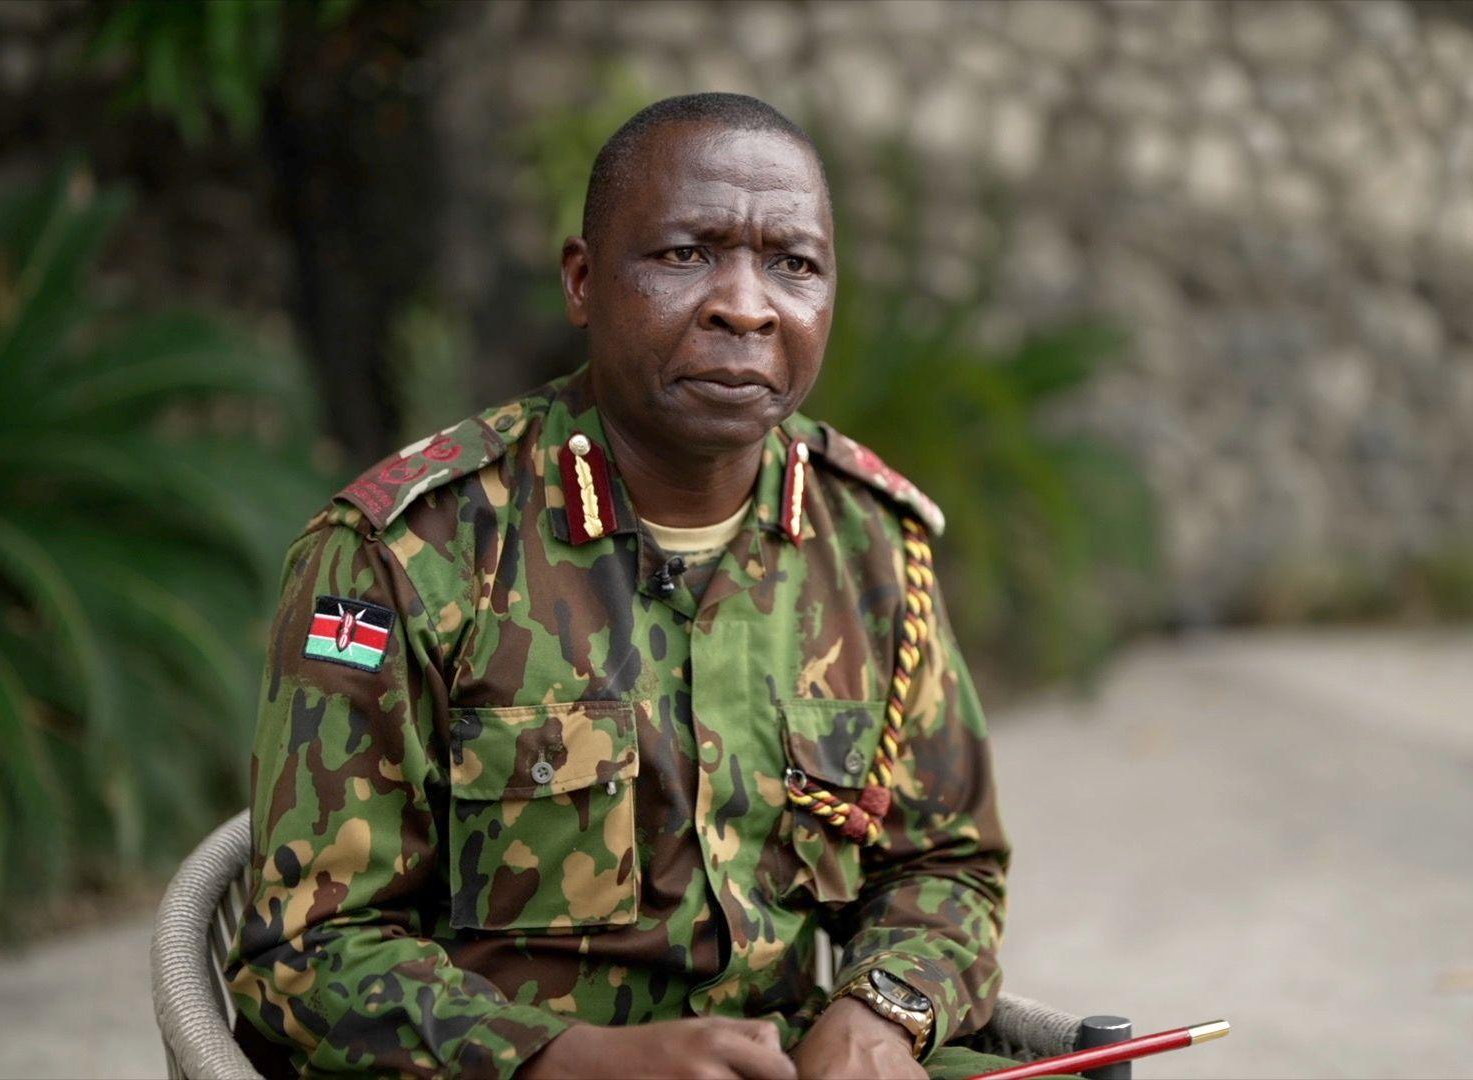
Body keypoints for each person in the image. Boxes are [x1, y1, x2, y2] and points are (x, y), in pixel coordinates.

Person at [227, 93, 1013, 1080]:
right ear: (583, 282)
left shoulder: (872, 546)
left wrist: (880, 1014)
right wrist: (569, 1058)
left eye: (793, 264)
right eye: (688, 254)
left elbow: (947, 864)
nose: (746, 303)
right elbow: (305, 955)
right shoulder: (406, 554)